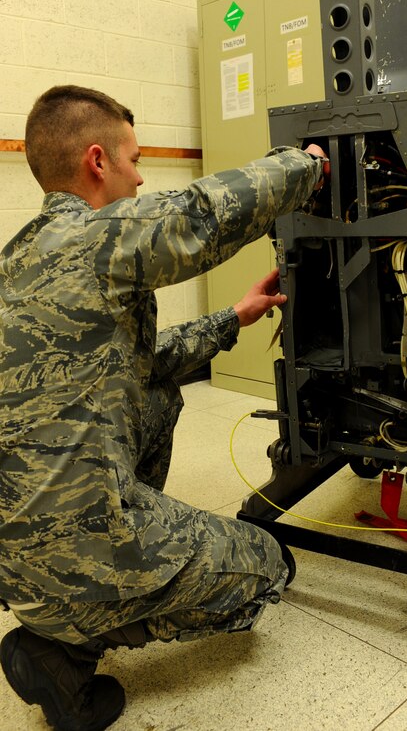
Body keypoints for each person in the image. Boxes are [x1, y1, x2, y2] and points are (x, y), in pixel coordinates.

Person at [0, 85, 327, 730]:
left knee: (157, 396)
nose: (142, 175)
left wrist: (238, 316)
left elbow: (139, 366)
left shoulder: (20, 258)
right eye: (134, 158)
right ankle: (70, 639)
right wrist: (310, 164)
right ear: (99, 161)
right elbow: (201, 217)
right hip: (68, 554)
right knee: (266, 565)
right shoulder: (94, 236)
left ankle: (87, 594)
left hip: (13, 554)